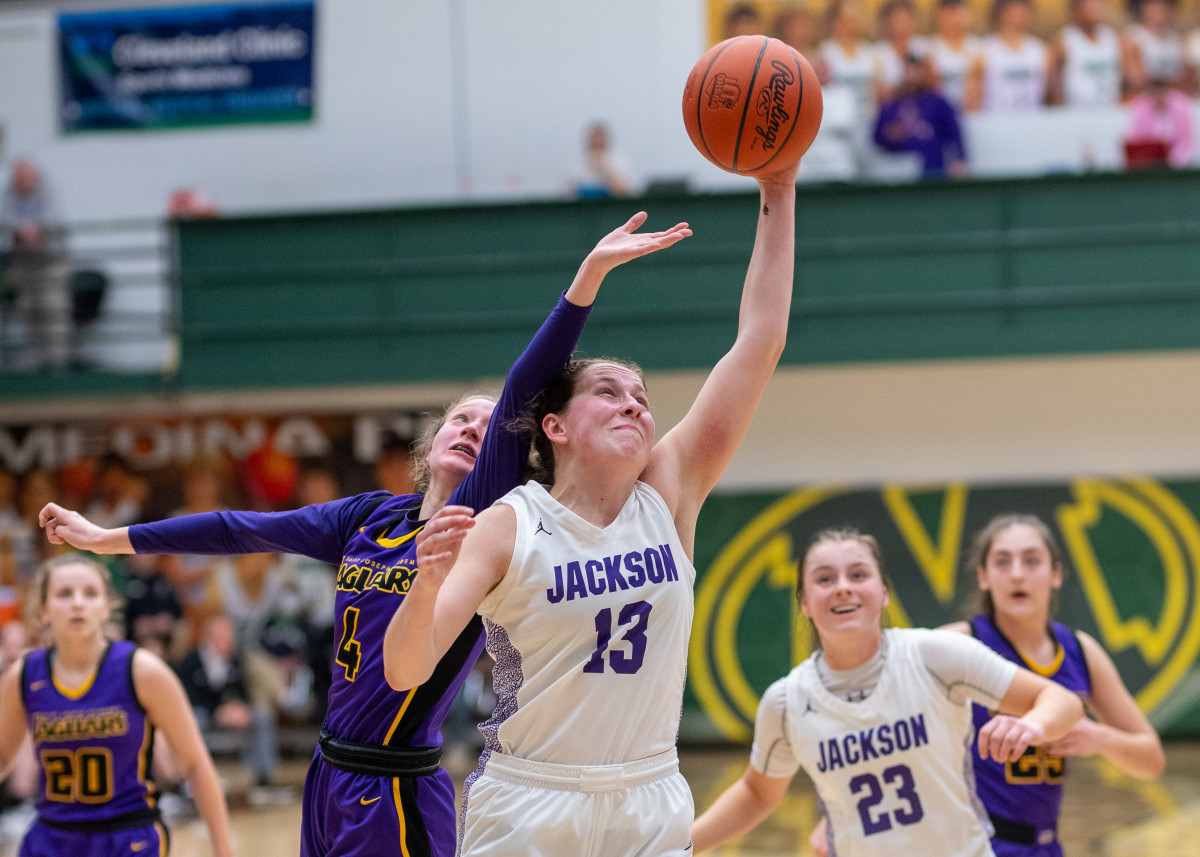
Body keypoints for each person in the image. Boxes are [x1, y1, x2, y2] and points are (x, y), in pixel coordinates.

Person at [36, 210, 690, 857]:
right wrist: (108, 538)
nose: (471, 427)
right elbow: (241, 527)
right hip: (328, 771)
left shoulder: (481, 514)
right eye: (460, 418)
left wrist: (587, 278)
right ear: (431, 441)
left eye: (490, 427)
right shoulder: (367, 518)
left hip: (397, 782)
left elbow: (525, 385)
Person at [384, 161, 799, 857]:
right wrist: (424, 585)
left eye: (641, 395)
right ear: (556, 426)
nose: (634, 402)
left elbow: (760, 340)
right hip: (530, 799)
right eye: (609, 391)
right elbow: (405, 670)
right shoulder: (509, 523)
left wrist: (779, 189)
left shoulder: (667, 490)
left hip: (650, 793)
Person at [691, 527, 1084, 857]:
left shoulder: (935, 655)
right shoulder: (786, 701)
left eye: (858, 575)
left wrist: (1032, 726)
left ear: (884, 593)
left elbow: (1061, 700)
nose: (843, 588)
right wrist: (676, 848)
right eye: (825, 579)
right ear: (805, 603)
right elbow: (757, 793)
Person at [944, 514, 1165, 856]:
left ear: (1056, 574)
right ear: (983, 577)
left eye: (1031, 560)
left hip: (1045, 845)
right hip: (969, 843)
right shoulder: (957, 643)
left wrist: (1099, 739)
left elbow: (1151, 761)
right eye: (1002, 562)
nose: (1017, 573)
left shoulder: (1080, 652)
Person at [0, 554, 233, 857]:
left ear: (106, 607)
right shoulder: (24, 675)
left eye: (90, 593)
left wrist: (223, 849)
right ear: (43, 610)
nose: (78, 603)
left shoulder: (142, 671)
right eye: (64, 594)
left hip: (128, 838)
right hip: (51, 839)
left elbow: (196, 765)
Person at [0, 159, 71, 372]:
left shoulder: (48, 195)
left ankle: (57, 367)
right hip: (22, 265)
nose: (21, 183)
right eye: (18, 179)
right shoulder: (8, 197)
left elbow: (56, 222)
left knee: (54, 313)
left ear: (35, 178)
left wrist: (38, 231)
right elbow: (5, 221)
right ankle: (40, 366)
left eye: (26, 178)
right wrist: (20, 231)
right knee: (30, 314)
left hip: (50, 264)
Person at [873, 53, 968, 178]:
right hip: (900, 169)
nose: (913, 77)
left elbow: (954, 135)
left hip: (933, 169)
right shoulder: (892, 104)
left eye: (916, 71)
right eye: (909, 71)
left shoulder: (938, 102)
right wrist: (889, 134)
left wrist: (958, 160)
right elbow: (877, 136)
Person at [973, 0, 1049, 111]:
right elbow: (973, 99)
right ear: (1002, 12)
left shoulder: (1040, 50)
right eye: (1014, 9)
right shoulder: (984, 51)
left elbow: (1050, 96)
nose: (1019, 14)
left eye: (1023, 9)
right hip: (997, 123)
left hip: (1032, 123)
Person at [1048, 0, 1122, 107]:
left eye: (1098, 3)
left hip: (1108, 111)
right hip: (1076, 115)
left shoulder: (1114, 39)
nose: (1094, 7)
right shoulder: (1065, 41)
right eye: (1088, 4)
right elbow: (1053, 87)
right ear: (1076, 8)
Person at [1125, 74, 1195, 166]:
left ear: (1167, 91)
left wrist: (1172, 160)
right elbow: (1137, 140)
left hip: (1179, 164)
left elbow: (1186, 139)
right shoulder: (1140, 107)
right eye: (1154, 91)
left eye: (1160, 91)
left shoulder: (1180, 107)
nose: (1157, 95)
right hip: (1150, 164)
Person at [1121, 0, 1188, 95]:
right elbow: (1136, 80)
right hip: (1145, 100)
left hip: (1172, 101)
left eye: (1164, 3)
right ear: (1143, 7)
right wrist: (1171, 82)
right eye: (1154, 3)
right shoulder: (1133, 37)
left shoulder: (1175, 39)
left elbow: (1185, 77)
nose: (1160, 7)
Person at [929, 0, 984, 112]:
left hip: (971, 114)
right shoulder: (929, 49)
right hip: (942, 115)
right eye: (949, 13)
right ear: (939, 15)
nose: (953, 19)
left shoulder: (978, 48)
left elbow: (978, 93)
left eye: (957, 12)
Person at [873, 0, 929, 103]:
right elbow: (879, 92)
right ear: (887, 22)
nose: (902, 24)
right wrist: (904, 85)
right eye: (897, 19)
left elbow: (931, 82)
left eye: (905, 18)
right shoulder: (879, 53)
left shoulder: (922, 47)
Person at [570, 122, 634, 199]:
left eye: (600, 138)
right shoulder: (576, 166)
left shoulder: (620, 162)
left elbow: (626, 191)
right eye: (594, 138)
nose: (597, 141)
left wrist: (604, 168)